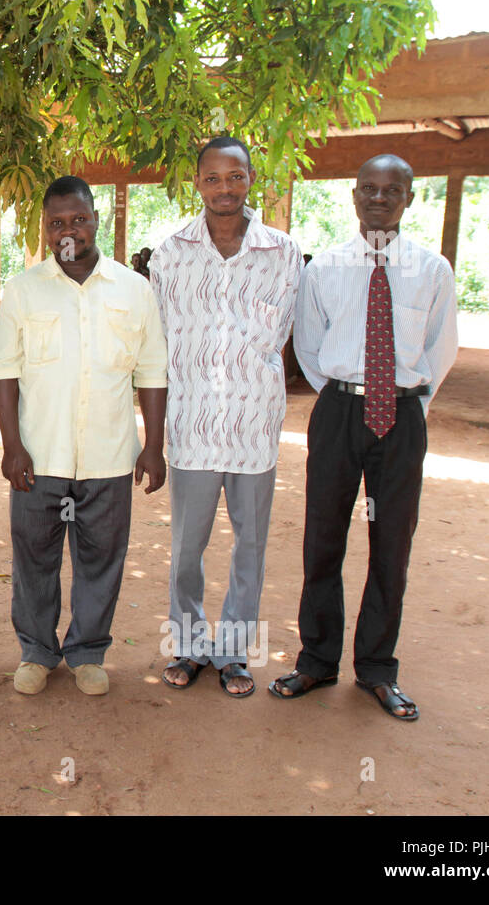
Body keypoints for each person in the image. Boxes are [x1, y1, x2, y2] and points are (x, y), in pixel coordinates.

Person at [270, 153, 458, 721]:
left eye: (392, 190)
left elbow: (441, 349)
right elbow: (309, 345)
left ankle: (377, 667)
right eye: (369, 189)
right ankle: (317, 660)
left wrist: (404, 401)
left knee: (391, 544)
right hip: (340, 416)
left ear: (409, 198)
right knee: (323, 538)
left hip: (401, 420)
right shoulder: (324, 267)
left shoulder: (432, 270)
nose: (379, 198)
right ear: (353, 196)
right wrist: (347, 396)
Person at [0, 176, 168, 697]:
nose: (69, 230)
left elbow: (152, 372)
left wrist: (152, 446)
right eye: (57, 222)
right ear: (45, 228)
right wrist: (12, 447)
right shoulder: (23, 290)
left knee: (102, 557)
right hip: (39, 455)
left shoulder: (135, 290)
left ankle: (89, 651)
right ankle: (37, 653)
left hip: (109, 455)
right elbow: (4, 373)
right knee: (33, 557)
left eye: (78, 219)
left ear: (97, 220)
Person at [148, 136, 302, 698]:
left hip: (254, 429)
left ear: (251, 178)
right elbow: (158, 345)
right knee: (187, 547)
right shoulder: (169, 254)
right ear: (197, 183)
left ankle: (234, 655)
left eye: (234, 177)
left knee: (251, 545)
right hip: (190, 429)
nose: (224, 189)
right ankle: (187, 647)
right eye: (212, 178)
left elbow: (281, 336)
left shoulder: (283, 252)